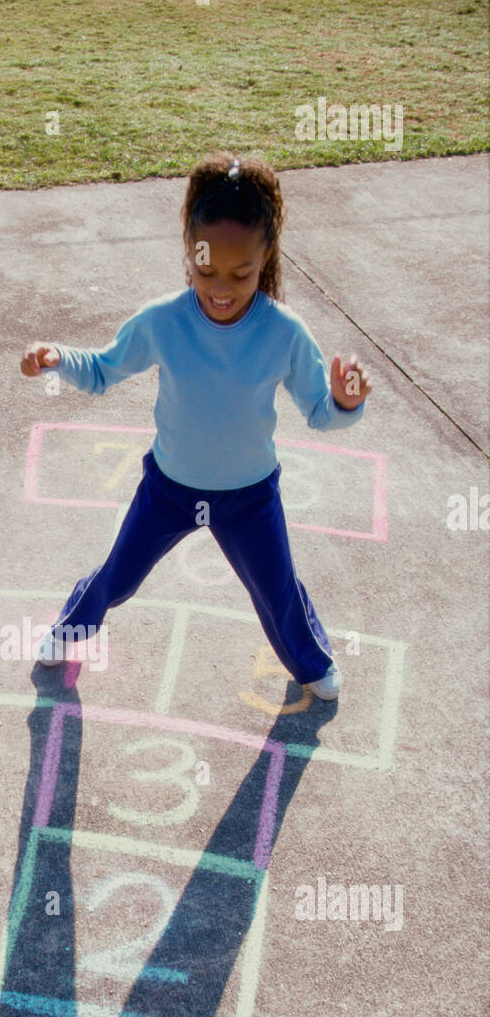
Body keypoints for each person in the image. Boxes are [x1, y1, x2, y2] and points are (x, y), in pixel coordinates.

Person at [20, 151, 372, 699]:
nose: (223, 287)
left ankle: (311, 661)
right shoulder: (163, 320)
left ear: (267, 257)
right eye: (207, 270)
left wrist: (345, 401)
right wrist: (55, 356)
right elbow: (102, 371)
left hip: (250, 495)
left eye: (243, 272)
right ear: (190, 250)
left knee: (276, 591)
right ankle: (70, 629)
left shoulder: (284, 332)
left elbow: (322, 414)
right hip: (171, 488)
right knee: (120, 575)